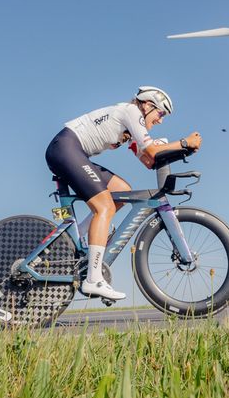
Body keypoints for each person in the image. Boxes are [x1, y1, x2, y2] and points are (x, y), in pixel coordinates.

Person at [44, 86, 202, 301]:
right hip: (66, 148)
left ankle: (77, 239)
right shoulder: (131, 112)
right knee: (105, 207)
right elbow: (152, 151)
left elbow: (149, 160)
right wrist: (184, 142)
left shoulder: (131, 127)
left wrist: (182, 150)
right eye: (161, 113)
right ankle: (93, 279)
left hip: (71, 151)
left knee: (122, 191)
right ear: (147, 105)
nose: (161, 120)